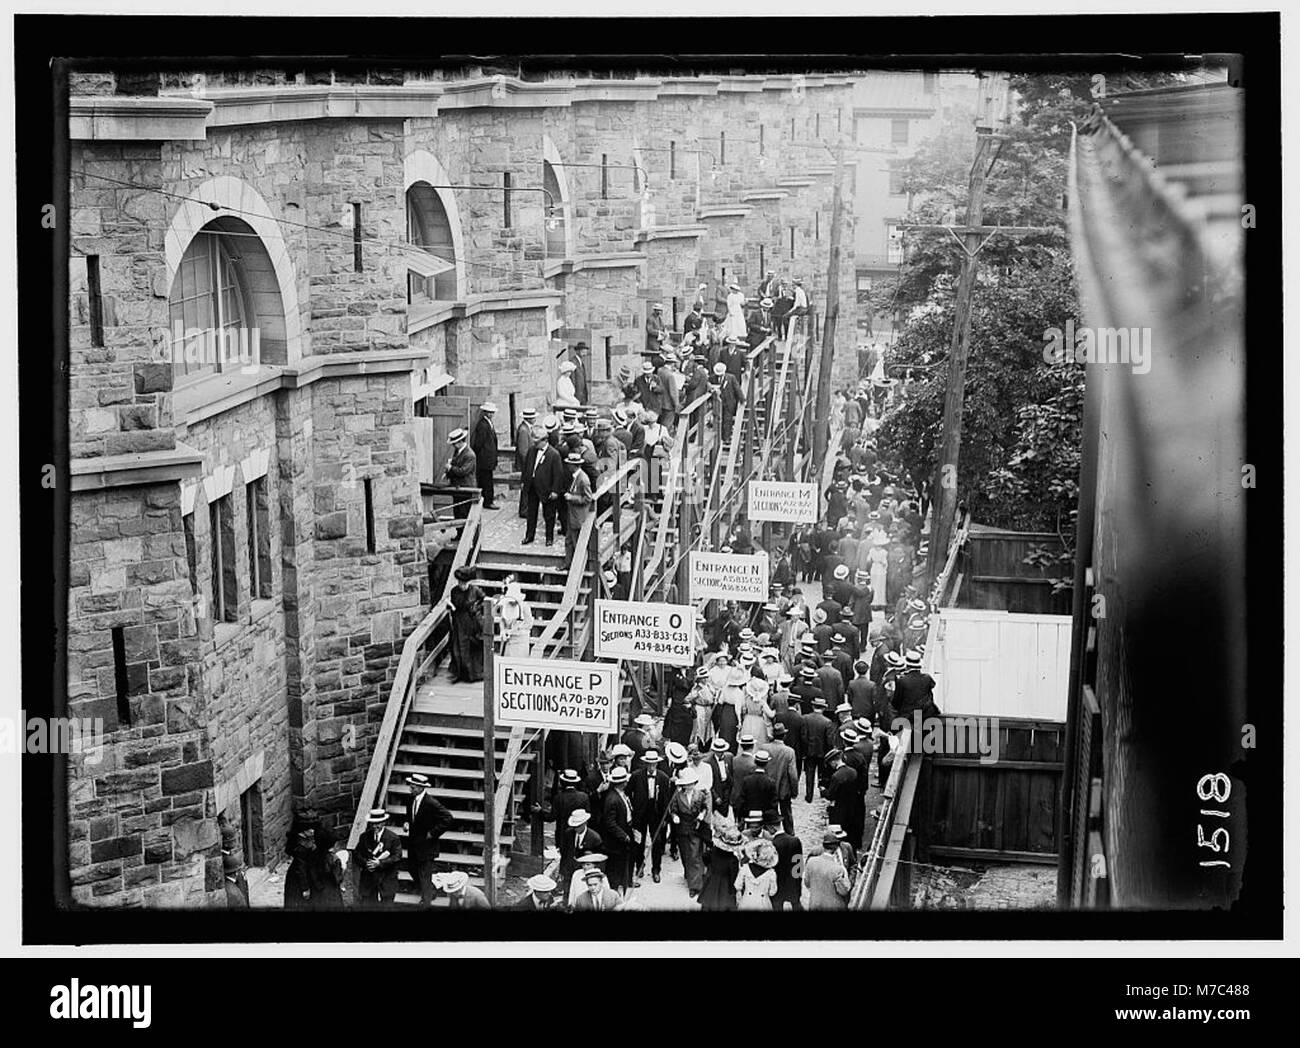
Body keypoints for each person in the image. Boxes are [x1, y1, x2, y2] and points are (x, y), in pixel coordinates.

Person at [405, 773, 453, 907]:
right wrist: (407, 823)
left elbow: (448, 818)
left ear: (421, 788)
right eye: (411, 786)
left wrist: (433, 833)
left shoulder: (431, 803)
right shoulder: (410, 799)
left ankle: (426, 901)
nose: (411, 789)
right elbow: (410, 816)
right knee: (411, 868)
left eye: (413, 787)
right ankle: (430, 891)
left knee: (425, 874)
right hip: (414, 843)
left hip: (427, 846)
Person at [667, 766, 711, 897]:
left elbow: (704, 807)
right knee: (686, 855)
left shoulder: (700, 795)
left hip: (696, 828)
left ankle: (695, 886)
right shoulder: (677, 796)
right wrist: (674, 816)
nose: (689, 785)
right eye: (686, 784)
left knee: (695, 856)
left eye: (691, 783)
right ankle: (689, 874)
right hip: (682, 829)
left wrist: (702, 814)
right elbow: (673, 809)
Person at [629, 750, 672, 884]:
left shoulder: (664, 778)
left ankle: (656, 870)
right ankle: (640, 866)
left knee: (657, 842)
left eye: (654, 764)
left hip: (657, 813)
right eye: (649, 764)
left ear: (657, 764)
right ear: (646, 763)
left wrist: (665, 818)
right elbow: (627, 793)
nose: (651, 766)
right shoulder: (636, 776)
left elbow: (666, 800)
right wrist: (633, 808)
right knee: (639, 842)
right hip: (640, 813)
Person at [522, 426, 566, 547]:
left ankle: (549, 538)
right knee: (531, 514)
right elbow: (527, 467)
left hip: (547, 489)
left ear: (545, 440)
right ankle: (529, 536)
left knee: (549, 515)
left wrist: (555, 490)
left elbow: (558, 474)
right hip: (532, 487)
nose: (535, 443)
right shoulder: (532, 451)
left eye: (537, 441)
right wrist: (524, 482)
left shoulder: (554, 454)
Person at [355, 807, 402, 907]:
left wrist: (380, 863)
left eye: (378, 823)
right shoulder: (364, 837)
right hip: (369, 880)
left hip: (386, 879)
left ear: (384, 822)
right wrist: (367, 863)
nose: (375, 826)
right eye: (373, 823)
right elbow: (357, 853)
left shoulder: (393, 838)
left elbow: (397, 857)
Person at [601, 765, 635, 894]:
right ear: (621, 783)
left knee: (622, 865)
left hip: (625, 831)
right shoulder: (612, 799)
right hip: (616, 841)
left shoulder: (620, 794)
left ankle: (622, 886)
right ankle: (614, 891)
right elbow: (609, 823)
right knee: (615, 868)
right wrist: (623, 836)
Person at [448, 566, 484, 683]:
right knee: (459, 646)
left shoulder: (475, 590)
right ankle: (460, 673)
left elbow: (483, 600)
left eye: (464, 583)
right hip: (459, 621)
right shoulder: (454, 591)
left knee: (473, 646)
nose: (462, 586)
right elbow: (454, 605)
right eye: (460, 583)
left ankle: (475, 674)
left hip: (472, 620)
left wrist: (476, 607)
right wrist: (451, 608)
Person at [558, 809, 602, 901]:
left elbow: (599, 861)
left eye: (578, 826)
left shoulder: (595, 838)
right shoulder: (568, 833)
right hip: (569, 871)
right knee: (567, 895)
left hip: (584, 874)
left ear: (585, 823)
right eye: (574, 826)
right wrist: (562, 871)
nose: (576, 829)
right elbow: (564, 854)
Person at [802, 830, 852, 910]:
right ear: (835, 847)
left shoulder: (811, 862)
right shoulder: (838, 869)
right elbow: (844, 891)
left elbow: (807, 883)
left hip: (815, 904)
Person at [764, 723, 800, 834]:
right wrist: (794, 791)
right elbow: (793, 774)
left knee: (769, 814)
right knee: (786, 814)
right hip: (784, 789)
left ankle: (770, 833)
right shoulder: (789, 752)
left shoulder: (764, 748)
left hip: (768, 789)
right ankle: (790, 834)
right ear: (784, 736)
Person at [562, 450, 593, 568]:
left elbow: (587, 498)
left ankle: (578, 566)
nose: (568, 466)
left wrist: (572, 498)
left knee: (577, 543)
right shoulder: (576, 477)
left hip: (579, 516)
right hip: (572, 515)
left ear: (574, 465)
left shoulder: (583, 480)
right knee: (569, 540)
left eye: (569, 464)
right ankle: (568, 563)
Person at [698, 824, 742, 910]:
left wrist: (710, 867)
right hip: (725, 888)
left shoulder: (713, 851)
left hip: (711, 882)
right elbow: (734, 877)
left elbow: (704, 856)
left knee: (708, 903)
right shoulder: (733, 860)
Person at [802, 696, 836, 803]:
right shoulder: (827, 722)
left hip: (809, 751)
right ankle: (822, 792)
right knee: (822, 774)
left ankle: (809, 795)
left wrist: (805, 749)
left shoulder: (805, 718)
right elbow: (829, 741)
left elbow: (803, 736)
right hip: (822, 752)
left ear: (813, 706)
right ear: (823, 708)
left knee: (809, 773)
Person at [736, 749, 779, 827]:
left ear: (755, 762)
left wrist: (741, 817)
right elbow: (773, 804)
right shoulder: (770, 782)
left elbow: (742, 800)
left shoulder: (747, 780)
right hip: (764, 818)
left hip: (749, 817)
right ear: (766, 764)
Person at [471, 401, 500, 509]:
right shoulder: (483, 425)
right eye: (489, 412)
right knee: (486, 481)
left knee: (487, 480)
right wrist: (481, 456)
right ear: (485, 412)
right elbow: (479, 443)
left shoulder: (488, 423)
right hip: (484, 459)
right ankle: (487, 501)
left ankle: (487, 500)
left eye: (492, 412)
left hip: (488, 459)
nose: (492, 414)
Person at [735, 838, 778, 910]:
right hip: (763, 903)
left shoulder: (745, 868)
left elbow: (738, 885)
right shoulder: (771, 873)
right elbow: (772, 892)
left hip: (746, 902)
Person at [443, 427, 477, 519]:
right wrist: (449, 470)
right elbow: (456, 465)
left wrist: (451, 468)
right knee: (457, 512)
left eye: (454, 444)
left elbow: (463, 471)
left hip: (465, 488)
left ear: (460, 442)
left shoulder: (470, 455)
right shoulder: (457, 451)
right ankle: (459, 532)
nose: (453, 446)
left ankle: (464, 532)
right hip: (457, 488)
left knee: (464, 513)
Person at [770, 820, 803, 911]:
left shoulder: (773, 844)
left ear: (771, 827)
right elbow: (799, 864)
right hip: (793, 881)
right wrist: (798, 881)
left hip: (778, 884)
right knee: (796, 905)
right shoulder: (795, 840)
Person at [514, 407, 537, 518]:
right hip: (526, 464)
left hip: (528, 463)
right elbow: (523, 451)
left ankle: (526, 508)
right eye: (534, 417)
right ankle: (524, 510)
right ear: (530, 418)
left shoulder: (526, 428)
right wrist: (529, 465)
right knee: (526, 487)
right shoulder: (523, 430)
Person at [705, 737, 734, 819]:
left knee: (724, 815)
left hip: (726, 789)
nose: (720, 753)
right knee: (715, 815)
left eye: (722, 751)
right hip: (716, 789)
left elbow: (731, 774)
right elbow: (709, 782)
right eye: (718, 752)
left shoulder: (729, 757)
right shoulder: (708, 762)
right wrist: (715, 796)